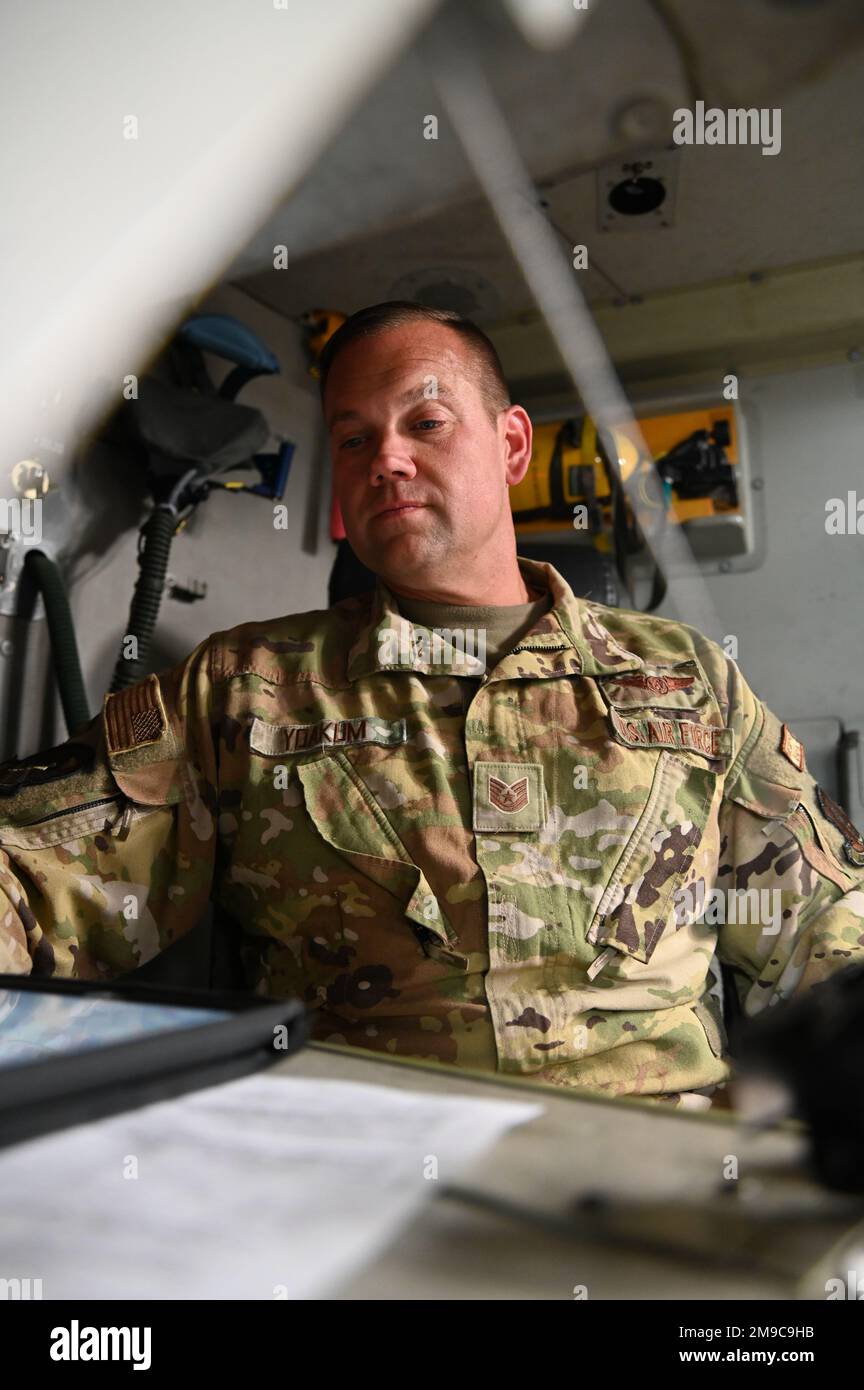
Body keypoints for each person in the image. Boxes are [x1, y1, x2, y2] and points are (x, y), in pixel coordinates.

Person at [1, 301, 862, 1108]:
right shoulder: (244, 685)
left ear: (512, 445)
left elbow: (831, 924)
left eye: (426, 422)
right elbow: (31, 875)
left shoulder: (686, 679)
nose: (388, 459)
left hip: (656, 1174)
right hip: (362, 1177)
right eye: (352, 438)